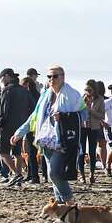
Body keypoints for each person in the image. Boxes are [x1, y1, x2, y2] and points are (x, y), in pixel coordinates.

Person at [15, 65, 85, 203]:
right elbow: (34, 116)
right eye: (49, 76)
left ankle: (69, 200)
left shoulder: (72, 95)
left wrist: (65, 116)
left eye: (55, 76)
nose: (51, 79)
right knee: (51, 174)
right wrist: (20, 132)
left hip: (63, 140)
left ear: (63, 77)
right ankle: (61, 208)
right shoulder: (45, 95)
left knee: (54, 173)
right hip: (45, 140)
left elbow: (83, 114)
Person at [0, 69, 35, 186]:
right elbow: (32, 108)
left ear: (7, 76)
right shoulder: (25, 91)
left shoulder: (6, 91)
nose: (1, 80)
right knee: (17, 153)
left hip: (6, 125)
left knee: (3, 152)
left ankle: (16, 174)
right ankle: (17, 177)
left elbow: (3, 110)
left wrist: (1, 122)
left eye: (2, 77)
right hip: (21, 125)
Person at [83, 79, 107, 182]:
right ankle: (82, 175)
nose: (88, 92)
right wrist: (84, 105)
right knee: (81, 152)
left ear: (94, 90)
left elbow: (102, 115)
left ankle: (92, 174)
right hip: (83, 127)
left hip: (94, 127)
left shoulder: (100, 99)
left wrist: (91, 111)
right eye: (86, 89)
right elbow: (77, 112)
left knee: (92, 151)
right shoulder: (82, 98)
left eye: (90, 90)